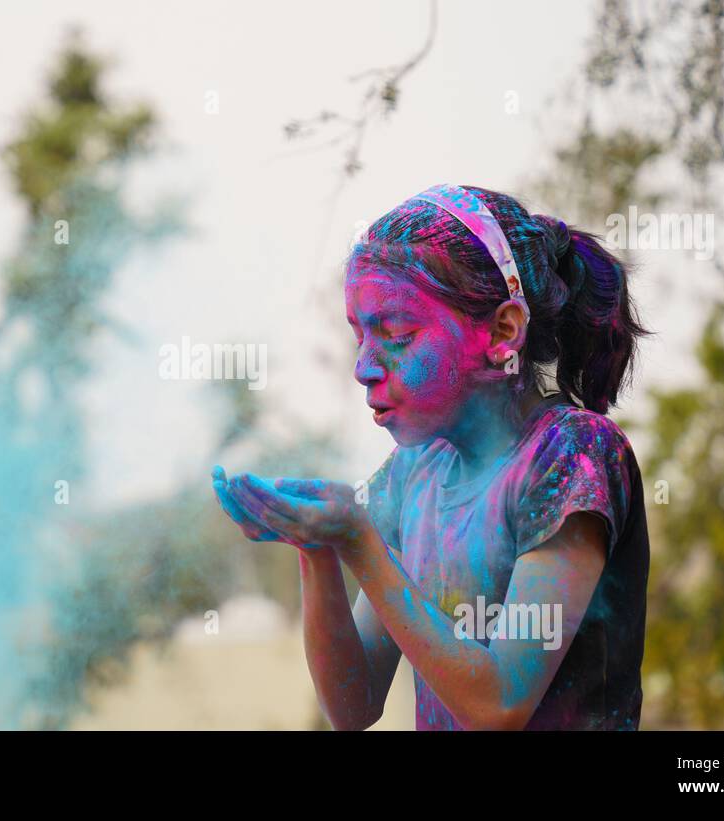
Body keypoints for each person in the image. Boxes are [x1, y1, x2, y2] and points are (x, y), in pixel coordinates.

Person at [211, 184, 651, 730]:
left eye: (395, 333)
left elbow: (500, 704)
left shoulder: (572, 455)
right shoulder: (413, 476)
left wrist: (360, 542)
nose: (365, 368)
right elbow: (353, 706)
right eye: (360, 338)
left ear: (502, 330)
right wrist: (318, 550)